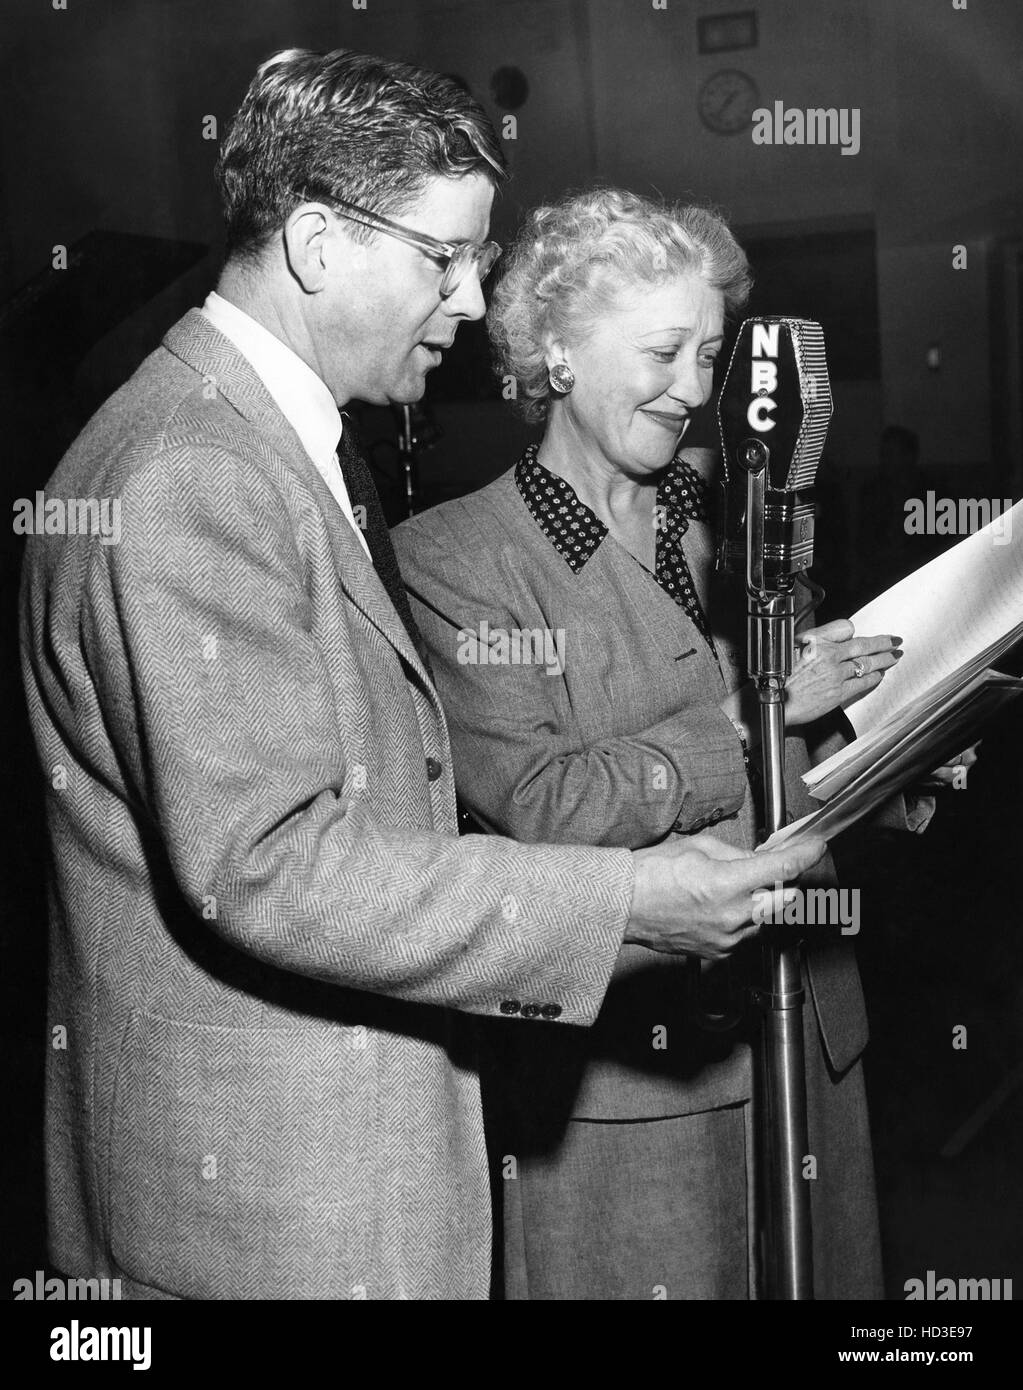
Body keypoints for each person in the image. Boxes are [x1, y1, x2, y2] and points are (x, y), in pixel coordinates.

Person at [17, 54, 822, 1302]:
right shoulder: (190, 471)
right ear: (319, 243)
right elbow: (270, 866)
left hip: (334, 1175)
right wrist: (623, 905)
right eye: (444, 257)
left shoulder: (277, 444)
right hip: (266, 1214)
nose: (471, 299)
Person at [394, 189, 933, 1299]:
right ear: (553, 352)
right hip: (630, 1086)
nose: (695, 388)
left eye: (712, 351)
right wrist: (751, 715)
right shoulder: (456, 559)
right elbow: (541, 800)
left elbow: (794, 765)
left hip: (807, 1041)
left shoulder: (725, 520)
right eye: (662, 351)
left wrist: (894, 745)